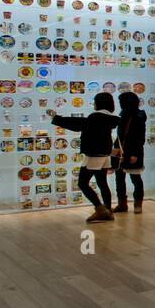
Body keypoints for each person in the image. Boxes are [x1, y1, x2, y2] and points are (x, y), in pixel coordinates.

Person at [49, 92, 120, 223]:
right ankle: (108, 210)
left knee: (82, 183)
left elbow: (79, 124)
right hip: (105, 154)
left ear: (99, 103)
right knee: (102, 183)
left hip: (94, 154)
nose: (94, 103)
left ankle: (100, 209)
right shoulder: (112, 118)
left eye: (95, 101)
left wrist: (57, 118)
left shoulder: (96, 117)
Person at [112, 90, 148, 214]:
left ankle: (137, 205)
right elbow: (120, 135)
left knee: (135, 178)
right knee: (120, 178)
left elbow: (139, 138)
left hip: (133, 152)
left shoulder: (137, 116)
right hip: (122, 152)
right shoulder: (125, 114)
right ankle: (122, 204)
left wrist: (134, 154)